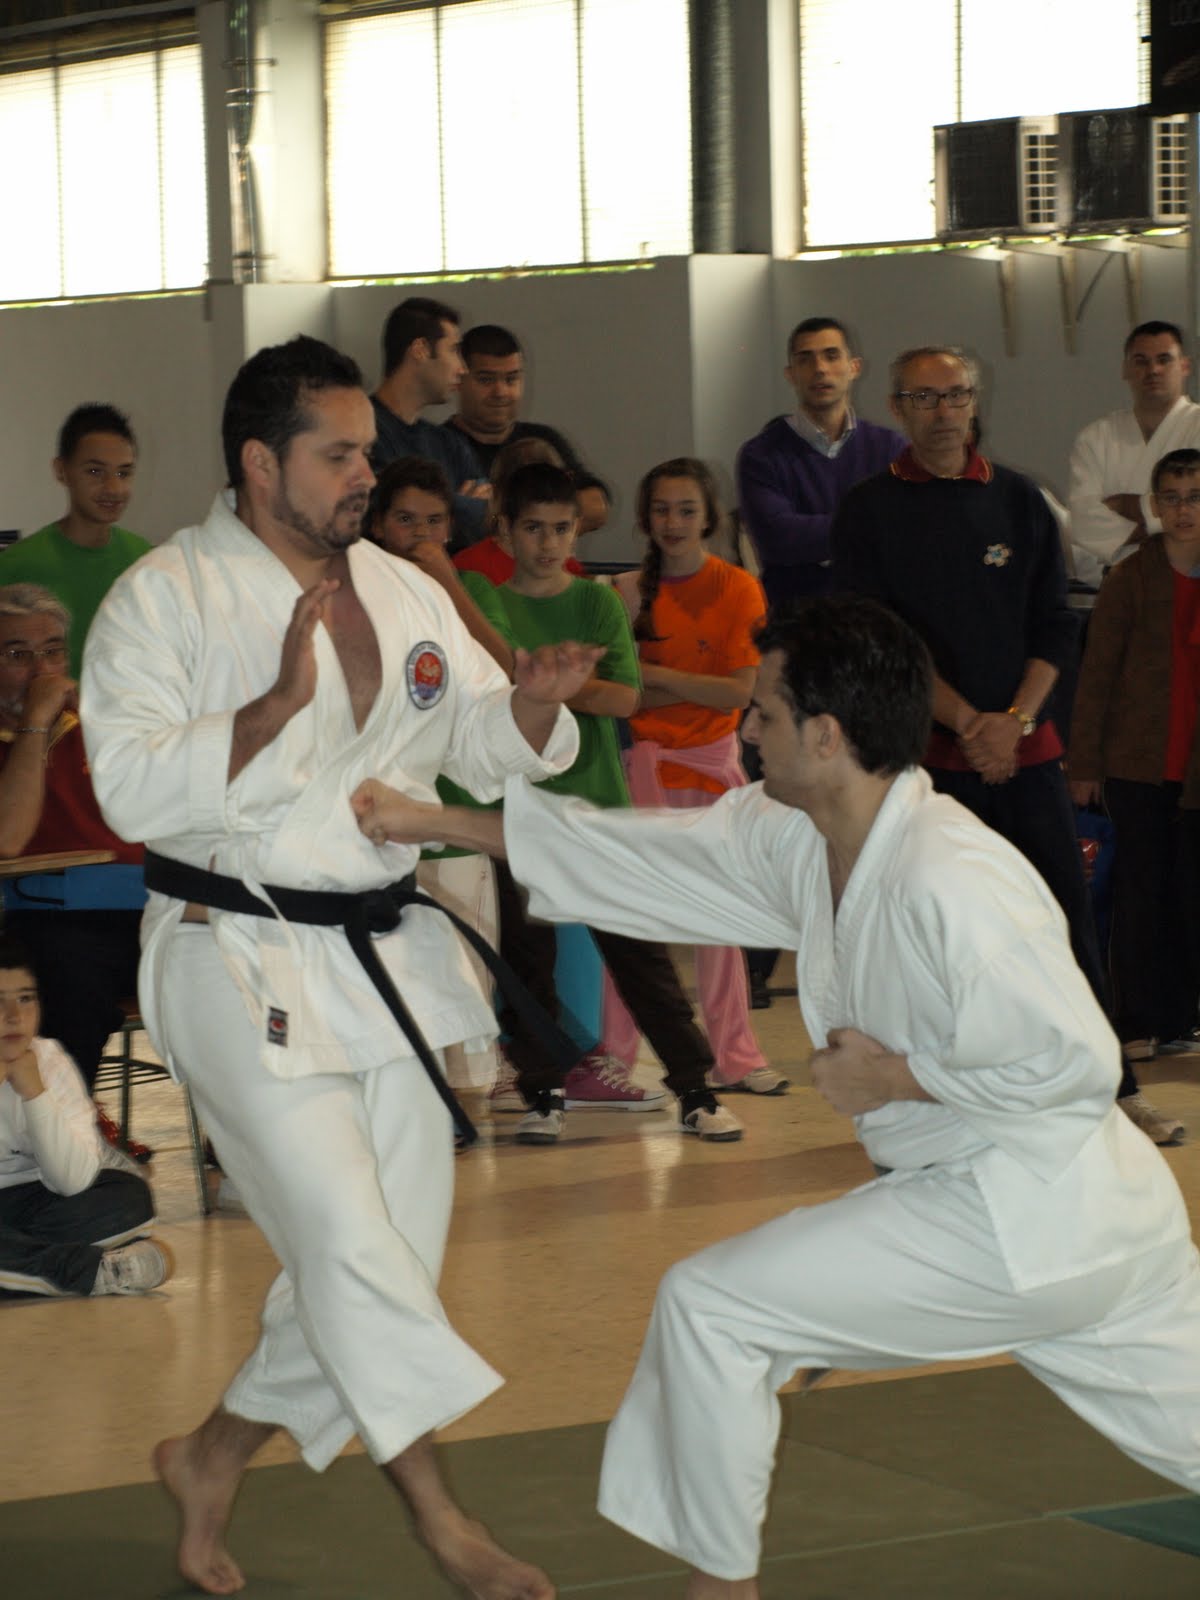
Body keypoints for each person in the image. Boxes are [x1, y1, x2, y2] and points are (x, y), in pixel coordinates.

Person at [353, 597, 1200, 1600]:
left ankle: (723, 1590)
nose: (744, 729)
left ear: (827, 735)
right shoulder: (808, 833)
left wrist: (896, 1076)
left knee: (716, 1309)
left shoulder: (952, 875)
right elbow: (645, 853)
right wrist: (437, 820)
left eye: (762, 711)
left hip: (1018, 1208)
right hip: (1097, 1220)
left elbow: (1074, 1064)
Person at [81, 334, 594, 1599]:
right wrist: (266, 707)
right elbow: (128, 780)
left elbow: (471, 730)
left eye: (369, 448)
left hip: (382, 955)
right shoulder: (167, 595)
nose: (369, 471)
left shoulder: (406, 588)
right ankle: (443, 1522)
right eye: (341, 452)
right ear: (263, 463)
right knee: (353, 1250)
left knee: (380, 1260)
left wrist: (529, 703)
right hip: (230, 954)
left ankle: (210, 1456)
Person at [832, 343, 1183, 1147]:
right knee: (940, 932)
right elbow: (880, 640)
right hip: (924, 762)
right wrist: (965, 722)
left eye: (954, 395)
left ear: (974, 401)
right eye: (922, 399)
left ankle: (1110, 1089)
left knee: (1063, 922)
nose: (941, 412)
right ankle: (949, 1096)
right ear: (897, 407)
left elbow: (1055, 623)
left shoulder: (1021, 500)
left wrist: (1014, 723)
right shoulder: (868, 510)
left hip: (1025, 753)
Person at [457, 461, 743, 1145]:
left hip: (598, 808)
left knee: (638, 952)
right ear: (505, 529)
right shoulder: (487, 596)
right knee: (529, 959)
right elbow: (500, 684)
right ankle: (543, 1091)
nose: (549, 544)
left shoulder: (597, 602)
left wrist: (546, 688)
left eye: (562, 529)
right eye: (533, 529)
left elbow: (624, 697)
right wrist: (556, 685)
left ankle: (696, 1089)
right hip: (520, 810)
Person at [611, 458, 782, 1095]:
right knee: (629, 921)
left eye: (686, 510)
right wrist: (679, 691)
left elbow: (737, 693)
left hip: (712, 770)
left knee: (721, 921)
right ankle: (616, 1058)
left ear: (709, 517)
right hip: (642, 772)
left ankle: (734, 1055)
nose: (674, 522)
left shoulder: (739, 588)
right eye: (661, 510)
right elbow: (619, 698)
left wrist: (655, 678)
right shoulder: (624, 593)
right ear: (644, 518)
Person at [0, 583, 149, 1162]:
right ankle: (66, 1144)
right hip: (54, 918)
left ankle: (241, 1150)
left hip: (152, 909)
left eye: (53, 652)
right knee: (68, 990)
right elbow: (9, 838)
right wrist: (36, 723)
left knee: (233, 975)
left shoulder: (106, 715)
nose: (41, 670)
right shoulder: (24, 730)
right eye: (17, 655)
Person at [1068, 445, 1200, 1060]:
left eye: (1195, 497)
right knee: (1140, 892)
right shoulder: (1130, 577)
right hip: (1137, 763)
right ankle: (1137, 1020)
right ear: (1154, 505)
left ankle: (1181, 1016)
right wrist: (1084, 767)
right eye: (1171, 498)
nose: (1183, 510)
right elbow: (1095, 677)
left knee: (1189, 893)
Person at [0, 936, 169, 1299]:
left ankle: (19, 1265)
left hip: (37, 1203)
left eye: (25, 998)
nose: (14, 1016)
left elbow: (71, 1182)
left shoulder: (48, 1059)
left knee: (129, 1198)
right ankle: (94, 1271)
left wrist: (35, 1093)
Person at [735, 316, 904, 611]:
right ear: (791, 374)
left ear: (854, 368)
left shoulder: (890, 448)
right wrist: (866, 528)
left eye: (831, 355)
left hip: (876, 622)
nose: (820, 369)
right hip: (795, 626)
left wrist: (815, 536)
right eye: (805, 359)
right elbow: (778, 540)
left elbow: (902, 531)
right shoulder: (760, 455)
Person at [0, 403, 149, 677]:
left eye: (124, 473)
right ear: (61, 471)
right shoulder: (15, 566)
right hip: (45, 718)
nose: (113, 488)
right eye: (95, 471)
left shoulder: (148, 562)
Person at [445, 324, 610, 532]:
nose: (501, 391)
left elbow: (597, 507)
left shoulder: (543, 440)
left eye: (511, 379)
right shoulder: (439, 445)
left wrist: (487, 511)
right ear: (459, 379)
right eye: (486, 379)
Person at [1069, 320, 1200, 568]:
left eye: (1164, 359)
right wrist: (1160, 518)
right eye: (1141, 361)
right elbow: (1082, 521)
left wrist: (1131, 506)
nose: (1153, 370)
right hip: (1119, 582)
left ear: (1184, 366)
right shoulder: (1096, 437)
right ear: (1125, 369)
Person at [370, 296, 490, 550]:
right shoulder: (362, 433)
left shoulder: (448, 443)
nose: (462, 368)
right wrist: (458, 504)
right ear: (420, 350)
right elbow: (378, 516)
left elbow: (488, 517)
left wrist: (454, 507)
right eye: (454, 350)